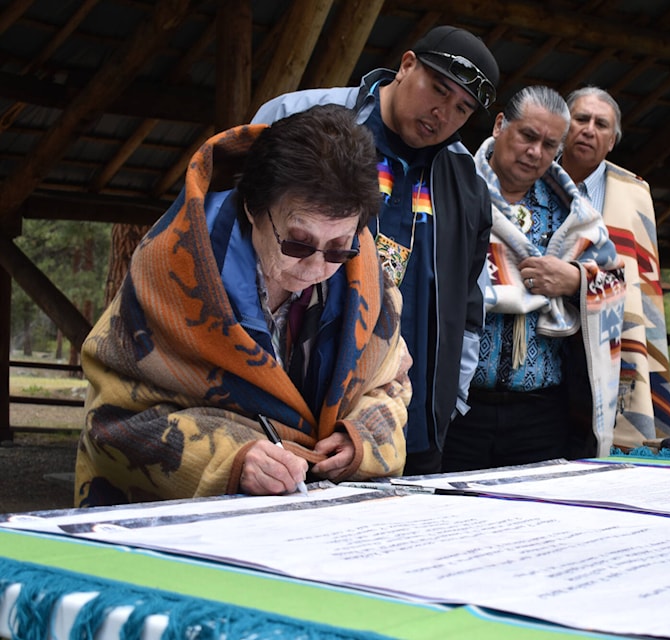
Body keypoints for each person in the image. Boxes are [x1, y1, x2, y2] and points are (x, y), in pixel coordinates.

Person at [75, 105, 411, 507]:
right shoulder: (171, 269)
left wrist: (360, 440)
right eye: (298, 243)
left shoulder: (366, 276)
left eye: (339, 248)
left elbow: (390, 382)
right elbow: (113, 420)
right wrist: (229, 460)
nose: (318, 267)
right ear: (252, 207)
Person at [252, 26, 498, 475]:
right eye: (438, 90)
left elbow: (470, 304)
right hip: (291, 424)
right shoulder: (301, 116)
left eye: (462, 109)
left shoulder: (466, 182)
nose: (442, 113)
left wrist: (449, 402)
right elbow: (230, 248)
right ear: (406, 65)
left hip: (411, 430)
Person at [441, 86, 625, 472]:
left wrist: (575, 280)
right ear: (500, 124)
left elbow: (615, 282)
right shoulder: (453, 191)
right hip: (458, 405)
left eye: (549, 145)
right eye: (527, 136)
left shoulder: (572, 214)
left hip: (542, 412)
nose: (535, 152)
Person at [561, 86, 670, 449]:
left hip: (611, 340)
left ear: (612, 141)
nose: (589, 129)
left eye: (601, 124)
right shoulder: (530, 180)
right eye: (580, 119)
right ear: (564, 125)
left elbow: (643, 285)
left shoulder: (634, 192)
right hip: (544, 342)